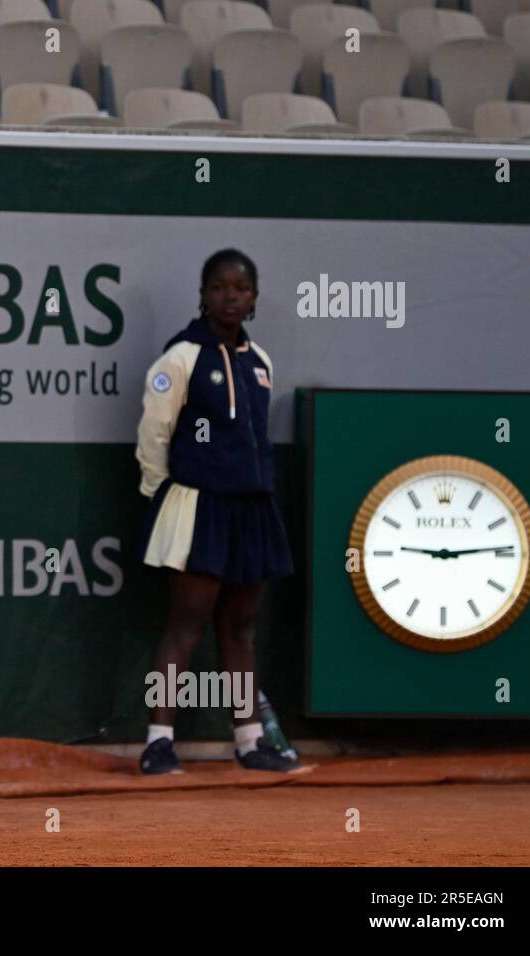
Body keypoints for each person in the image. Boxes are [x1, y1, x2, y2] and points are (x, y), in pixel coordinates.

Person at [133, 249, 301, 775]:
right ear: (203, 295)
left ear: (253, 299)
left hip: (251, 510)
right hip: (197, 507)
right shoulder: (180, 358)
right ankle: (158, 742)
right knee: (186, 622)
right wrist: (166, 495)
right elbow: (153, 437)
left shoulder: (261, 362)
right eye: (221, 287)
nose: (232, 296)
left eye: (242, 289)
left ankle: (250, 741)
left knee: (241, 627)